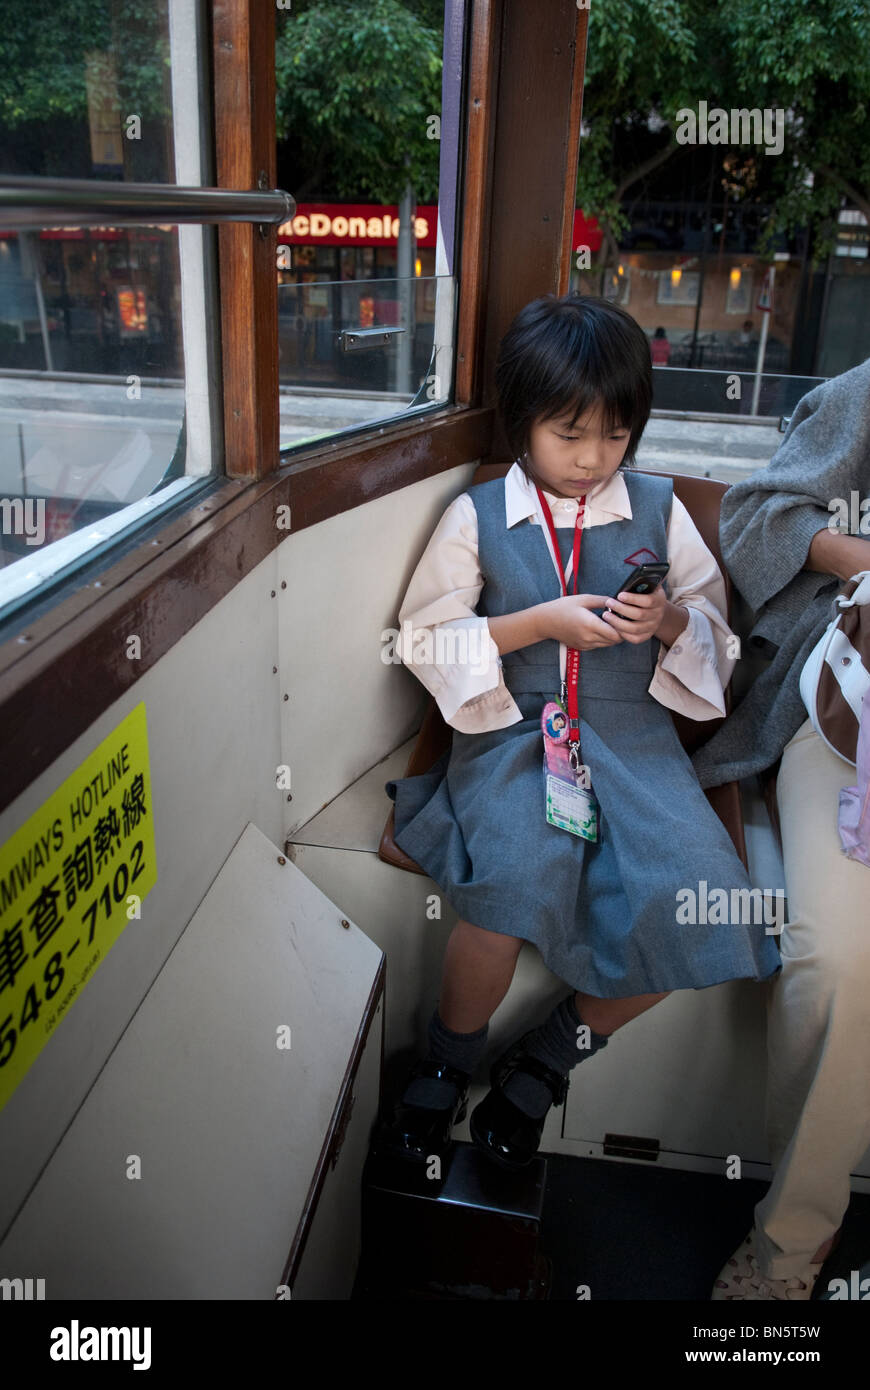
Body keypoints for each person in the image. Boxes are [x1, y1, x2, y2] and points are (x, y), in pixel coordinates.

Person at [377, 293, 781, 1172]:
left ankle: (546, 1058)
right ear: (523, 423)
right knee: (510, 885)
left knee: (707, 903)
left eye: (615, 435)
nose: (594, 458)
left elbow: (720, 643)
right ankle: (446, 1061)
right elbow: (423, 640)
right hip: (514, 729)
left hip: (634, 741)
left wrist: (666, 621)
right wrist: (534, 625)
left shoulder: (661, 510)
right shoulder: (478, 515)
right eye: (570, 434)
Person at [690, 358, 870, 1301]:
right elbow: (754, 518)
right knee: (835, 961)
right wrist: (864, 559)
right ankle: (789, 1254)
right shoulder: (866, 395)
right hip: (847, 718)